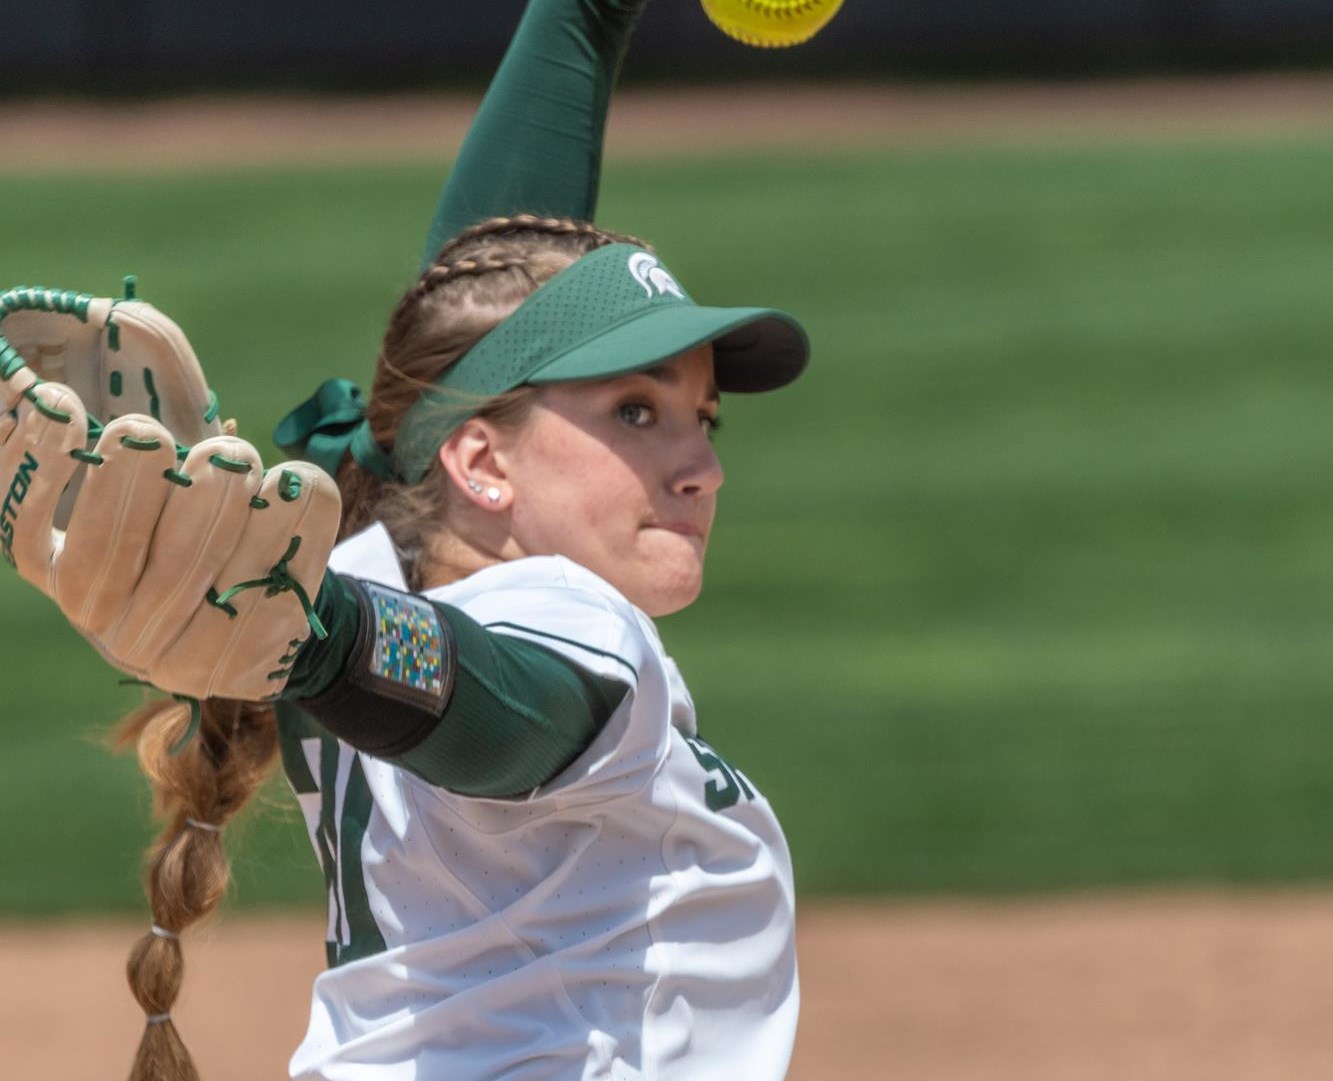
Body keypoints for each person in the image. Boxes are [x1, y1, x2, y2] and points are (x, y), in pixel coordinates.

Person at [115, 3, 810, 1079]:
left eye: (701, 418)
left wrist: (584, 15)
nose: (700, 466)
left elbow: (460, 334)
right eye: (635, 411)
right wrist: (325, 641)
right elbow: (493, 709)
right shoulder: (553, 618)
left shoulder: (360, 557)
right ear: (481, 465)